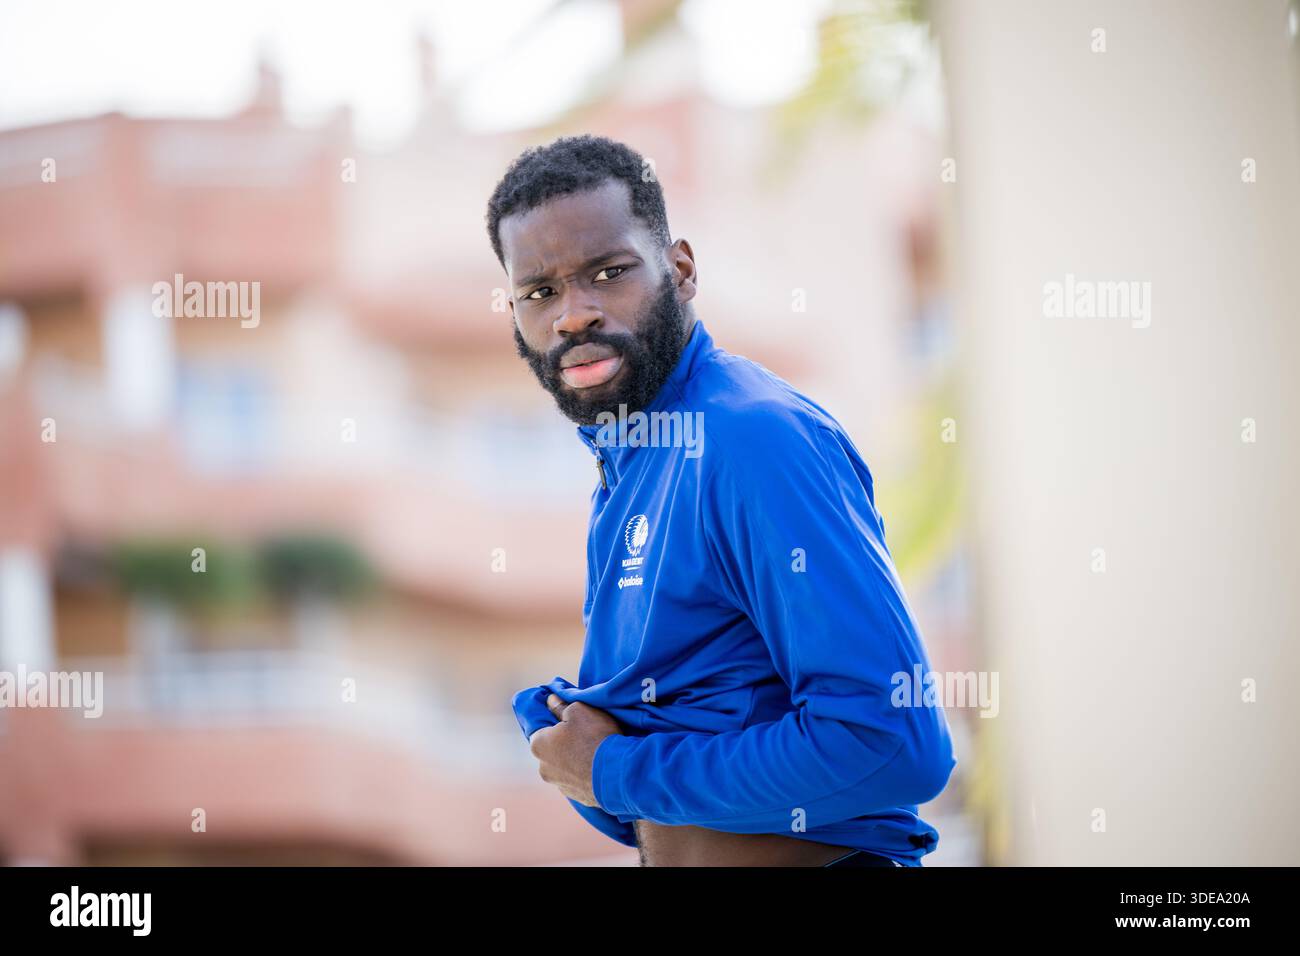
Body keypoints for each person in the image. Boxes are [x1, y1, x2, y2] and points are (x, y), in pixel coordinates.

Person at [490, 134, 956, 866]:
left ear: (679, 270)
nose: (571, 315)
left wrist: (615, 771)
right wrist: (578, 739)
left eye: (607, 273)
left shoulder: (751, 439)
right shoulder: (631, 463)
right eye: (539, 292)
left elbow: (890, 743)